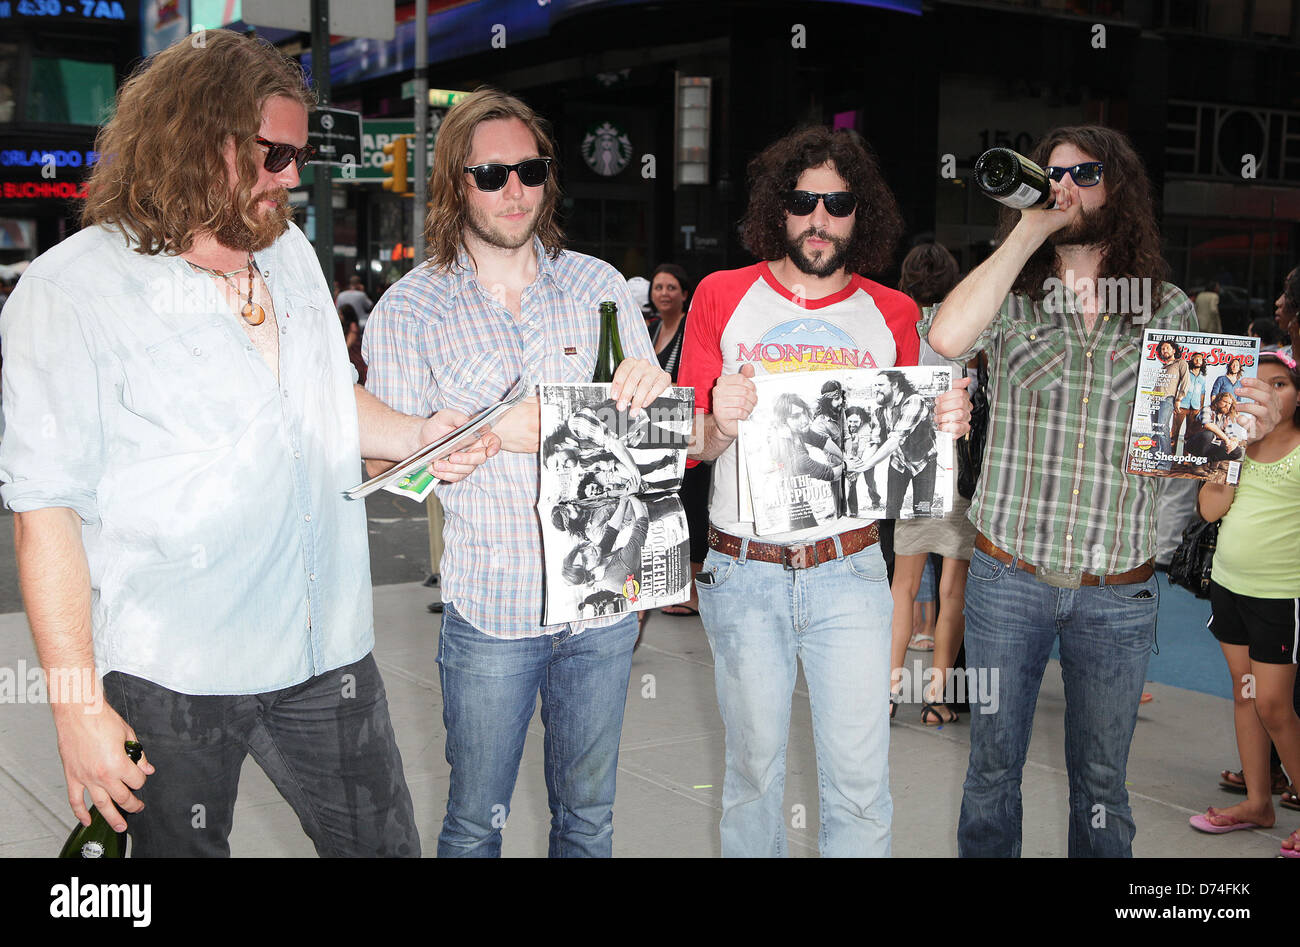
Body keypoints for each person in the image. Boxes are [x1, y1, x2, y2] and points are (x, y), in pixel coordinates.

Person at [0, 31, 498, 858]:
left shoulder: (288, 249)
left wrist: (418, 433)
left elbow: (322, 398)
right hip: (173, 676)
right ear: (200, 140)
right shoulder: (70, 293)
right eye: (274, 154)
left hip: (326, 649)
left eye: (299, 155)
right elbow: (45, 511)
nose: (293, 177)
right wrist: (78, 706)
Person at [926, 123, 1281, 857]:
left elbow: (1198, 471)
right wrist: (1028, 233)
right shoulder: (1014, 300)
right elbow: (946, 339)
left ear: (1117, 187)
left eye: (1086, 173)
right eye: (1052, 173)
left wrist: (1234, 436)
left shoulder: (1170, 311)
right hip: (1007, 574)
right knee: (992, 771)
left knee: (1102, 785)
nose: (1067, 187)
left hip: (1120, 591)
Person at [361, 87, 669, 858]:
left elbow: (646, 434)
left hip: (602, 608)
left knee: (588, 820)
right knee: (473, 823)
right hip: (492, 613)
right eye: (491, 174)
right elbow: (385, 466)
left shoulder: (601, 287)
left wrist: (650, 395)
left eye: (529, 171)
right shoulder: (410, 308)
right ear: (453, 184)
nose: (514, 190)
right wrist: (456, 450)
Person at [678, 125, 971, 857]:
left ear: (858, 212)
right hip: (744, 572)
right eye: (804, 200)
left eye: (837, 203)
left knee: (861, 787)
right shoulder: (720, 295)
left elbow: (913, 442)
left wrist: (947, 419)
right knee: (751, 782)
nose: (819, 217)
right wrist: (715, 416)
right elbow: (686, 447)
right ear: (780, 208)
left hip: (851, 574)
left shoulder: (894, 314)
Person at [1189, 352, 1300, 859]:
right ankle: (1258, 803)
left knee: (1275, 707)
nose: (1268, 393)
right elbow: (1211, 510)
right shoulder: (1234, 445)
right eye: (1259, 385)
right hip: (1230, 588)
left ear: (1297, 396)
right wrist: (1229, 457)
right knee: (1245, 694)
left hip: (1281, 598)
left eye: (1281, 384)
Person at [888, 241, 976, 725]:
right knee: (951, 591)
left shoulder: (900, 322)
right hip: (958, 465)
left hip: (911, 465)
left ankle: (889, 686)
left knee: (901, 586)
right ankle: (939, 697)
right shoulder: (967, 324)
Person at [646, 262, 709, 617]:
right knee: (663, 503)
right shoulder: (651, 329)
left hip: (685, 423)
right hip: (655, 424)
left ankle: (693, 589)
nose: (664, 293)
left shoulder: (690, 326)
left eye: (671, 287)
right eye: (659, 287)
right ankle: (671, 583)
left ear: (684, 294)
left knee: (691, 501)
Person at [1151, 340, 1189, 463]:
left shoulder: (1180, 363)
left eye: (1167, 348)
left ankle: (1165, 463)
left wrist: (1179, 399)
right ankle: (1152, 458)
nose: (1165, 350)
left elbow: (1186, 382)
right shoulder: (1163, 366)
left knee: (1163, 428)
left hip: (1167, 399)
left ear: (1174, 350)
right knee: (1155, 429)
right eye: (1162, 349)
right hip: (1155, 399)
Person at [1185, 391, 1247, 464]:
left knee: (1237, 452)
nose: (1227, 405)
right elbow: (1208, 424)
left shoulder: (1226, 418)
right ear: (1217, 401)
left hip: (1210, 445)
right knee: (1208, 434)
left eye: (1229, 403)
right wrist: (1226, 439)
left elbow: (1231, 434)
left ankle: (1206, 462)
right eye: (1224, 402)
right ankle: (1197, 465)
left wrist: (1233, 443)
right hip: (1194, 444)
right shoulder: (1207, 409)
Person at [1172, 350, 1209, 452]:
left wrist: (1201, 408)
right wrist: (1175, 403)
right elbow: (1176, 387)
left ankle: (1186, 459)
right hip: (1182, 405)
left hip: (1195, 408)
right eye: (1195, 358)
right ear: (1192, 360)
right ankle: (1171, 456)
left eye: (1200, 359)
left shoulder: (1203, 377)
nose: (1198, 360)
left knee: (1190, 434)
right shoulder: (1186, 372)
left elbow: (1202, 393)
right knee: (1174, 432)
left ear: (1203, 362)